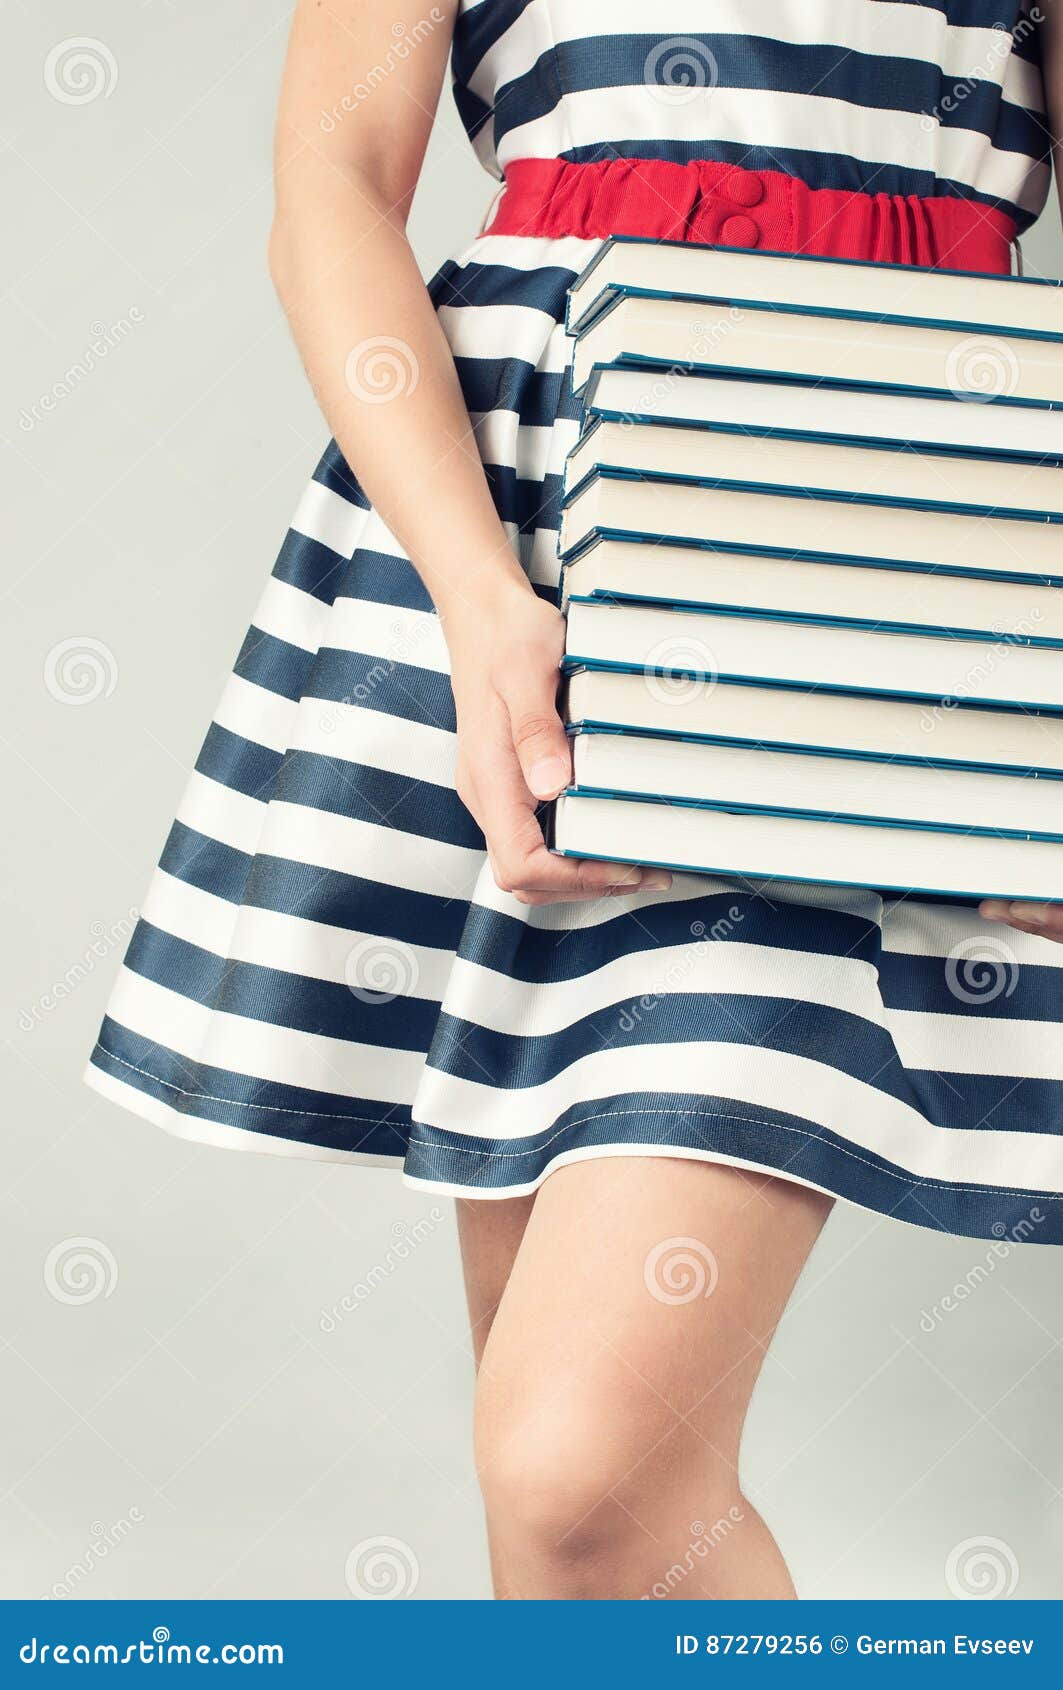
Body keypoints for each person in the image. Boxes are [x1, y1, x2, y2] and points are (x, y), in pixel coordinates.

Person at [86, 2, 1063, 1598]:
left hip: (889, 552)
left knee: (581, 1471)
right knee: (559, 1512)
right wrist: (481, 602)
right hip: (522, 533)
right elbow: (330, 181)